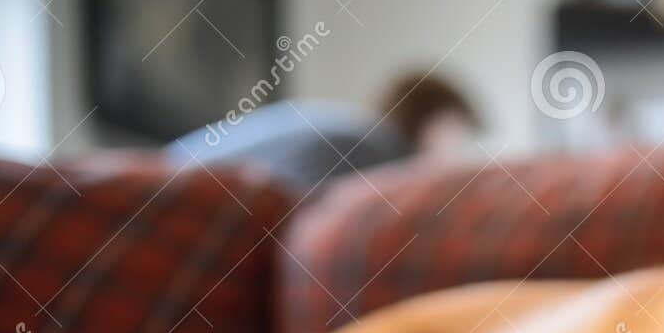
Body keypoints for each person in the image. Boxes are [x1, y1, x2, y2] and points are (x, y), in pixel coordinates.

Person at [168, 71, 482, 193]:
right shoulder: (370, 151)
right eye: (458, 136)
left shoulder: (350, 127)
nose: (454, 157)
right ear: (435, 124)